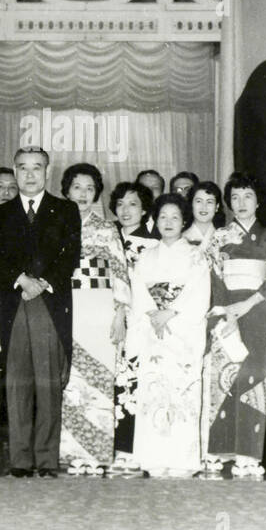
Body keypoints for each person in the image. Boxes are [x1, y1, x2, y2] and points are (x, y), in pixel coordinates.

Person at [0, 146, 81, 478]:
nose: (29, 174)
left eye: (36, 168)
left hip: (49, 303)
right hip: (15, 302)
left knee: (48, 383)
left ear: (47, 171)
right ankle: (20, 459)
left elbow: (70, 255)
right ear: (14, 170)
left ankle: (47, 458)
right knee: (17, 383)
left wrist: (43, 283)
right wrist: (22, 280)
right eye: (23, 168)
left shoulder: (66, 210)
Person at [203, 172, 266, 478]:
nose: (241, 203)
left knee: (254, 378)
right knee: (224, 378)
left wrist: (248, 304)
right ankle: (218, 450)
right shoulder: (218, 237)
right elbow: (214, 279)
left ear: (258, 201)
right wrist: (226, 310)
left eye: (248, 196)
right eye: (235, 197)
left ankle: (249, 454)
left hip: (259, 310)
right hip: (226, 312)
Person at [126, 194, 210, 477]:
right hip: (154, 331)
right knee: (154, 392)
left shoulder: (196, 256)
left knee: (182, 392)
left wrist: (170, 313)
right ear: (155, 220)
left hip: (182, 332)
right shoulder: (146, 256)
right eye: (163, 217)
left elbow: (199, 294)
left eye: (175, 217)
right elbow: (138, 290)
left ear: (185, 221)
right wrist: (154, 314)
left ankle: (183, 460)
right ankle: (153, 458)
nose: (169, 222)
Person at [59, 163, 130, 474]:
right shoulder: (53, 226)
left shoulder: (106, 229)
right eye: (77, 187)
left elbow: (120, 274)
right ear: (65, 191)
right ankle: (70, 453)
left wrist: (120, 313)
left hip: (99, 310)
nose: (83, 194)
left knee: (99, 380)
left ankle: (98, 453)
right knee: (69, 383)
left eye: (90, 188)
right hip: (65, 308)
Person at [109, 179, 157, 466]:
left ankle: (130, 449)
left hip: (139, 322)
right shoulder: (106, 238)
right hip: (107, 319)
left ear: (144, 210)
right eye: (120, 204)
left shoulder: (152, 246)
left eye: (133, 204)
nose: (125, 210)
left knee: (133, 384)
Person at [184, 181, 226, 251]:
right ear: (191, 204)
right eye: (199, 201)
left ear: (217, 207)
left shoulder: (225, 238)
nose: (204, 207)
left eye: (209, 202)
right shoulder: (181, 239)